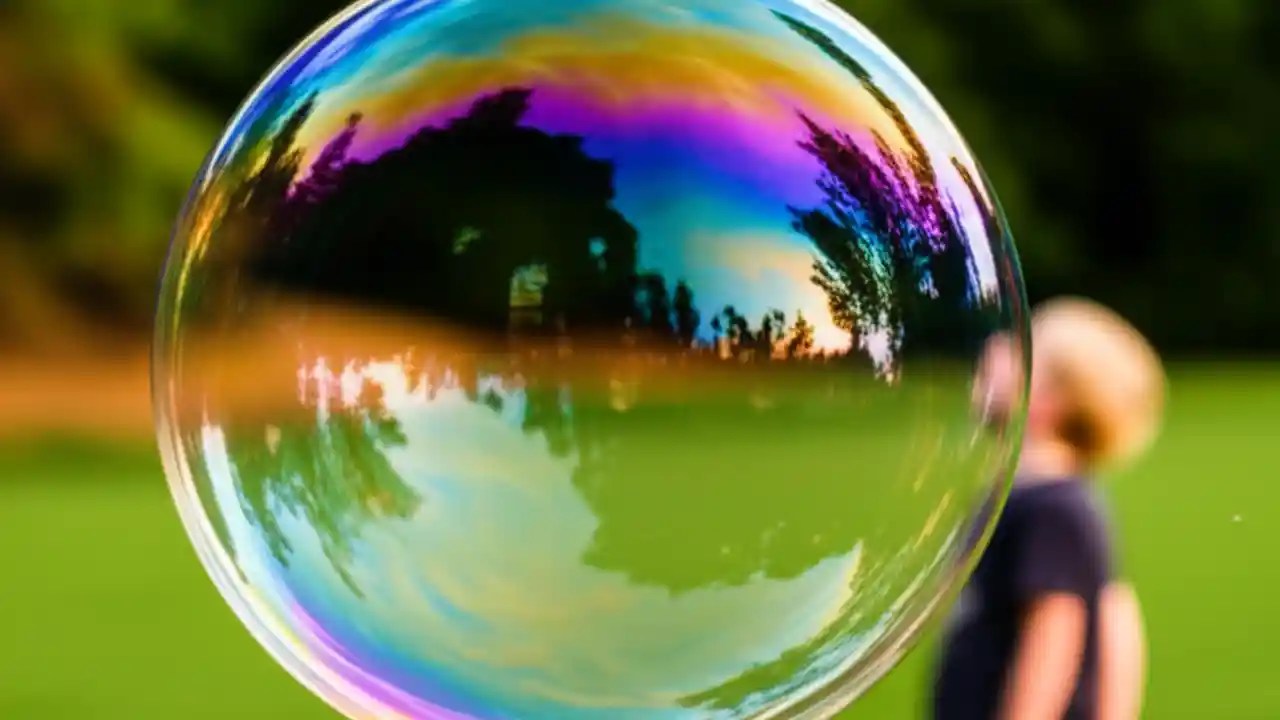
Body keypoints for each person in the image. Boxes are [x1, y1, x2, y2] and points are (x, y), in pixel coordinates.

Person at [933, 297, 1164, 720]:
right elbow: (1115, 606)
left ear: (1047, 402)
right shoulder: (1022, 496)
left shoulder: (1053, 509)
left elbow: (1053, 636)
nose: (999, 344)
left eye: (1023, 347)